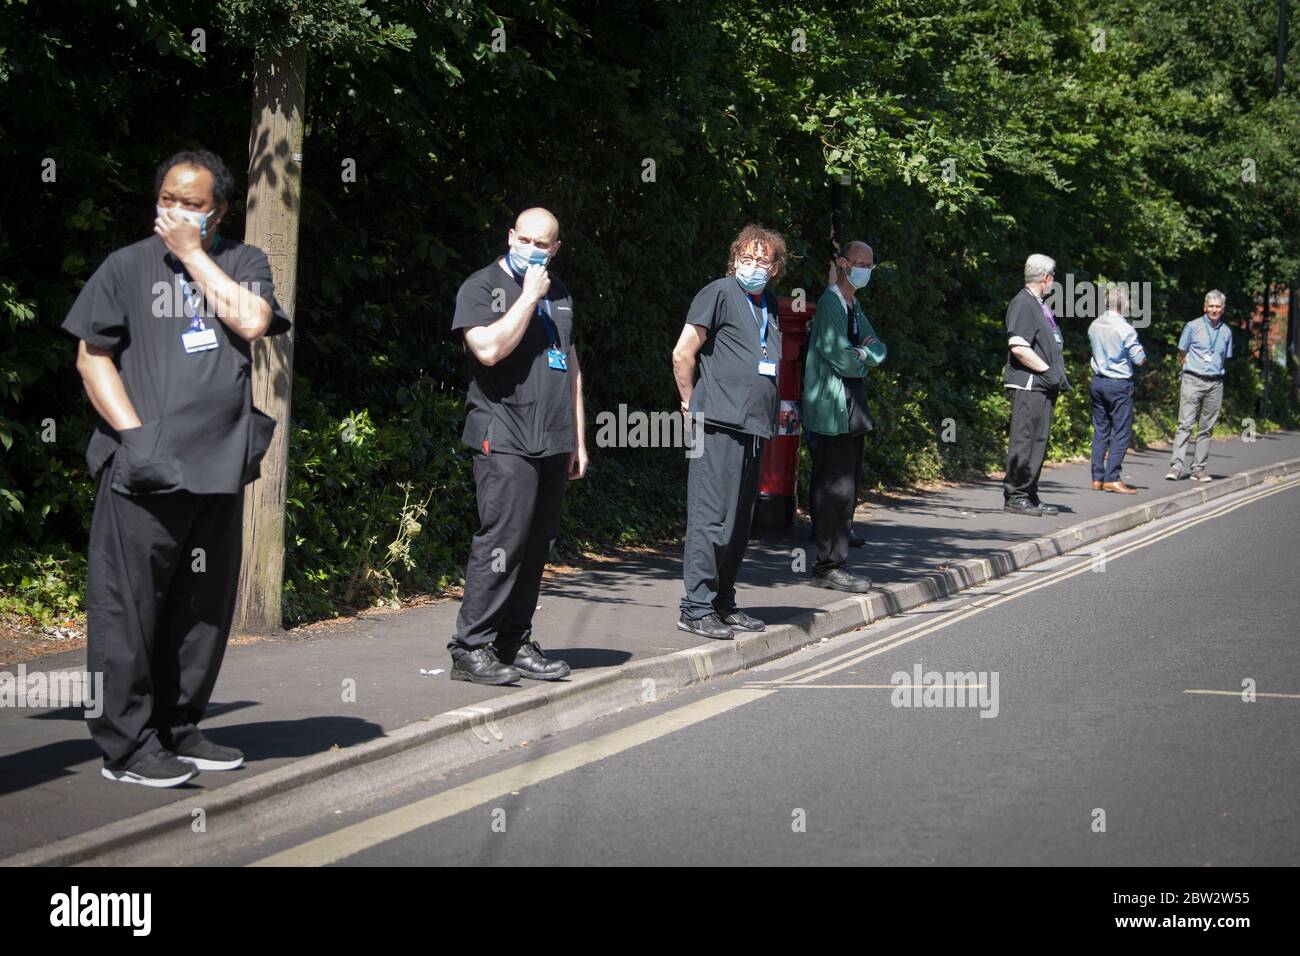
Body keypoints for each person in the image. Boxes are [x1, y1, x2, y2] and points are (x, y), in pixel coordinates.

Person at [62, 150, 290, 787]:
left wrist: (194, 255)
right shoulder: (125, 267)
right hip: (145, 468)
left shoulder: (242, 263)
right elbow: (92, 358)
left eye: (192, 203)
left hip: (220, 466)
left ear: (219, 210)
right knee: (128, 610)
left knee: (201, 609)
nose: (176, 212)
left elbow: (251, 319)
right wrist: (135, 438)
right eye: (168, 198)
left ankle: (178, 725)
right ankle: (127, 748)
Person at [447, 207, 587, 684]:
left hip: (552, 437)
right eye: (523, 239)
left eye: (541, 243)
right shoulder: (482, 286)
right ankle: (471, 648)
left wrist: (577, 438)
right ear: (510, 236)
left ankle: (512, 640)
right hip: (502, 434)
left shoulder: (561, 292)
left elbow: (570, 365)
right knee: (502, 541)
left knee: (536, 544)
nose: (531, 249)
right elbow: (487, 349)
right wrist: (527, 298)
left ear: (555, 249)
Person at [672, 224, 785, 639]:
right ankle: (695, 606)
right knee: (710, 517)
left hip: (752, 427)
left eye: (762, 260)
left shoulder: (768, 303)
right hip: (717, 421)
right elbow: (683, 352)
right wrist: (689, 403)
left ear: (775, 268)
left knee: (738, 521)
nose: (752, 266)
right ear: (735, 259)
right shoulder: (719, 292)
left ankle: (722, 601)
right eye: (746, 258)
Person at [801, 240, 886, 592]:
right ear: (842, 263)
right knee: (835, 487)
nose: (864, 269)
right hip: (832, 408)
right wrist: (863, 355)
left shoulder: (854, 304)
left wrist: (863, 353)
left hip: (851, 406)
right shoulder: (830, 304)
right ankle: (829, 567)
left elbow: (879, 347)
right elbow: (842, 358)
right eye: (858, 262)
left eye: (870, 264)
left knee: (847, 483)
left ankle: (836, 550)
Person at [1003, 253, 1070, 516]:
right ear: (1045, 278)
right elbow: (1018, 346)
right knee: (1024, 440)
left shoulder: (1037, 303)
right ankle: (1016, 496)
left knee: (1038, 441)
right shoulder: (1023, 303)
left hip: (1042, 386)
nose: (1054, 282)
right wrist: (1048, 370)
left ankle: (1029, 493)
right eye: (1053, 277)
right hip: (1031, 385)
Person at [1166, 291, 1232, 482]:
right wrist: (1190, 371)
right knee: (1185, 424)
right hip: (1192, 380)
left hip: (1215, 383)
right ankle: (1176, 467)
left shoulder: (1226, 332)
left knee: (1206, 428)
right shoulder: (1192, 326)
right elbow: (1181, 353)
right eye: (1211, 306)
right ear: (1205, 307)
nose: (1214, 310)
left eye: (1217, 306)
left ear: (1223, 309)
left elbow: (1223, 359)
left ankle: (1199, 469)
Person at [1086, 284, 1146, 494]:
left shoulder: (1094, 325)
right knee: (1121, 431)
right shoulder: (1125, 329)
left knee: (1101, 430)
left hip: (1097, 381)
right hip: (1118, 384)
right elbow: (1139, 359)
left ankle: (1097, 478)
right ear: (1125, 306)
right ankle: (1112, 477)